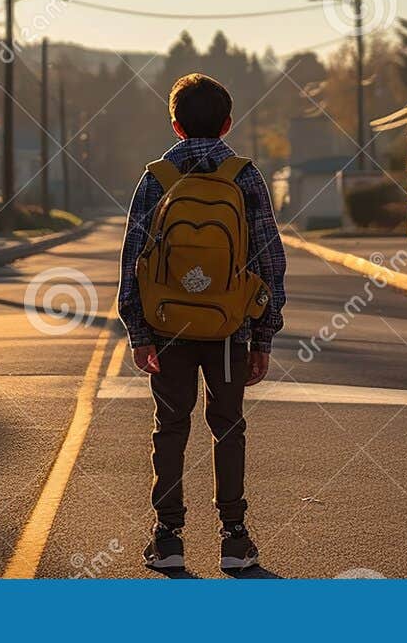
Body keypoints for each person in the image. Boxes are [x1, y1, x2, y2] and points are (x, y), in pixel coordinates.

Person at [117, 72, 287, 572]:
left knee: (171, 426)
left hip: (168, 328)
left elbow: (133, 260)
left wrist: (138, 331)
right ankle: (235, 539)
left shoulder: (157, 178)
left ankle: (167, 537)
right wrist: (264, 333)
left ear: (175, 126)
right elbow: (268, 257)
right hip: (231, 328)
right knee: (228, 427)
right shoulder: (245, 176)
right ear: (228, 123)